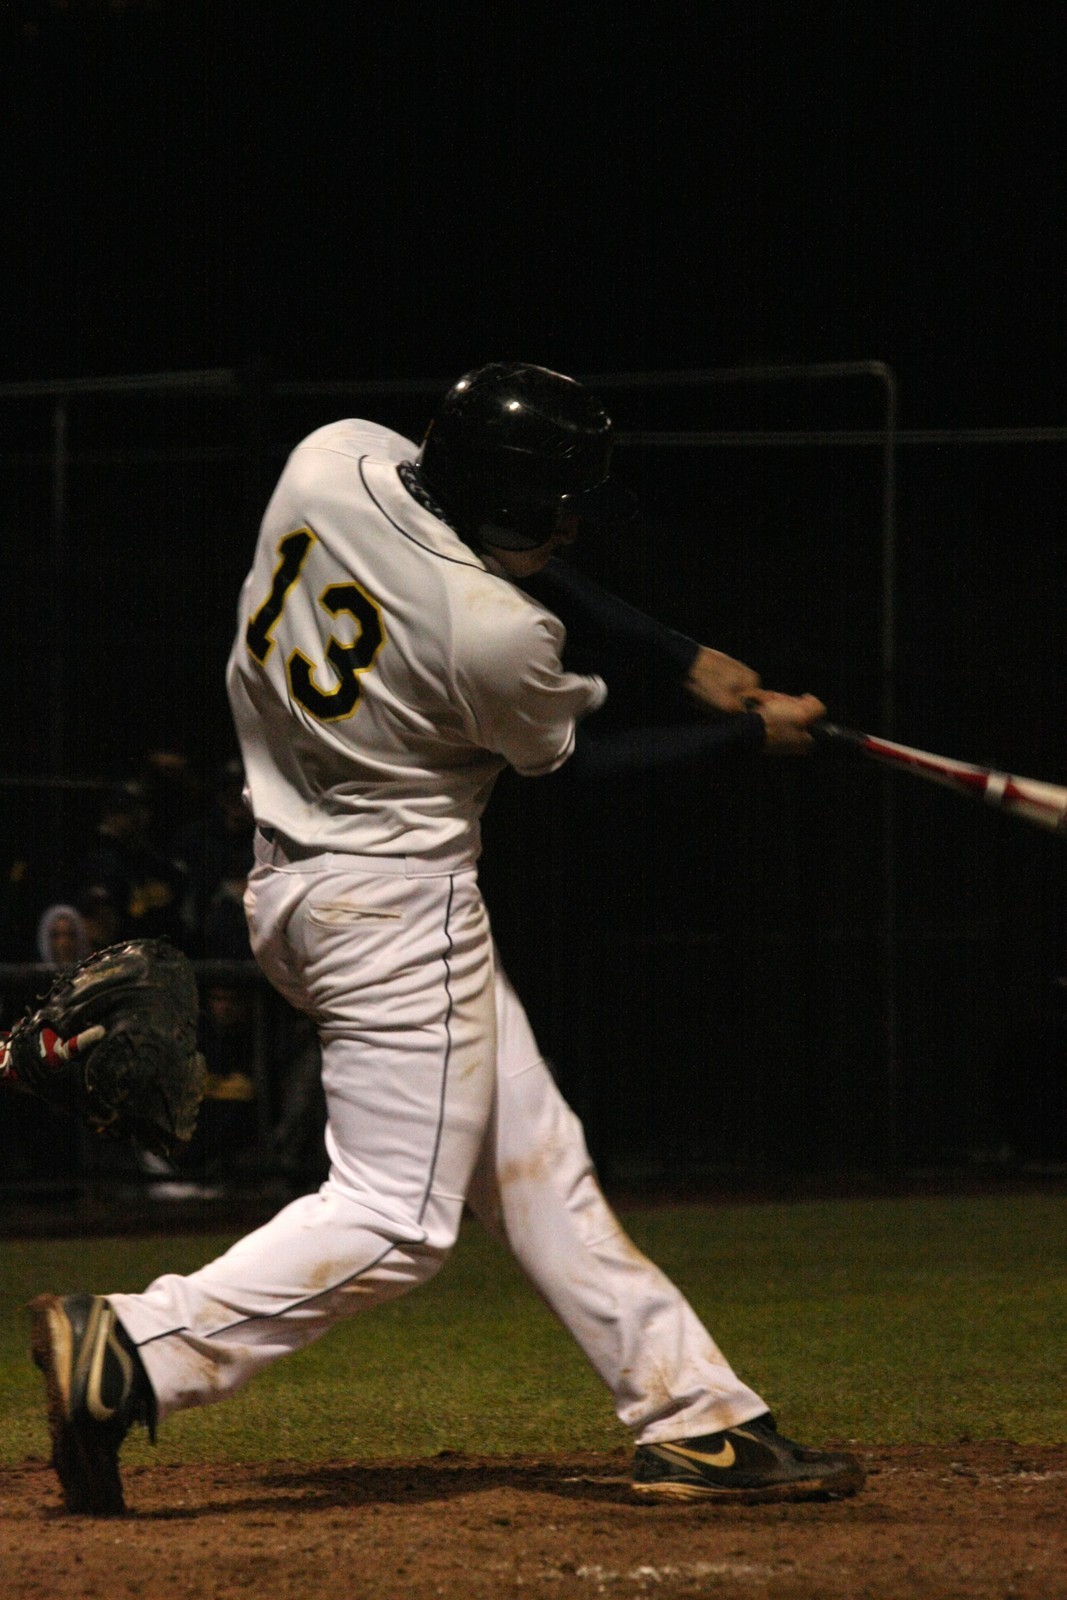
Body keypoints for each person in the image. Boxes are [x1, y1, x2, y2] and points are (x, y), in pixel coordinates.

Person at [29, 362, 863, 1515]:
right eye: (558, 500)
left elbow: (499, 541)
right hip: (393, 913)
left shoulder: (332, 455)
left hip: (290, 878)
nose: (568, 520)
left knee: (536, 1167)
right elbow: (579, 770)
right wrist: (744, 743)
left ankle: (696, 1417)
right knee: (397, 1218)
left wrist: (677, 656)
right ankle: (137, 1342)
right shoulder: (492, 634)